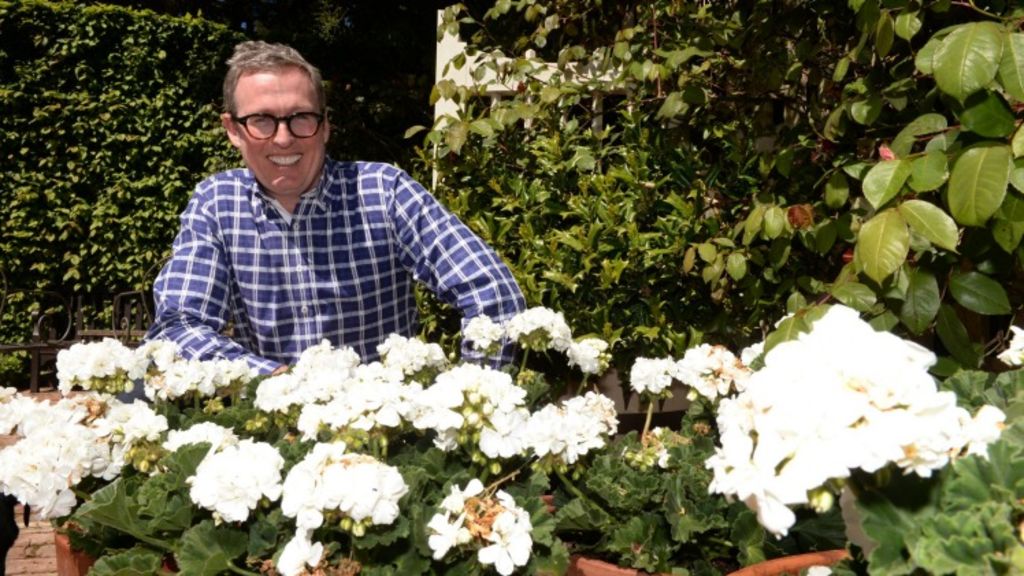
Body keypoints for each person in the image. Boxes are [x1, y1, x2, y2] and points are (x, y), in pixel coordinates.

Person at [146, 41, 525, 374]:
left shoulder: (384, 192)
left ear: (325, 125)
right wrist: (271, 381)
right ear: (233, 129)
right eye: (261, 120)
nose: (283, 138)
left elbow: (494, 293)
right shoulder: (216, 204)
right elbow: (178, 327)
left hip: (383, 431)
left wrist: (468, 398)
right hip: (270, 436)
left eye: (301, 118)